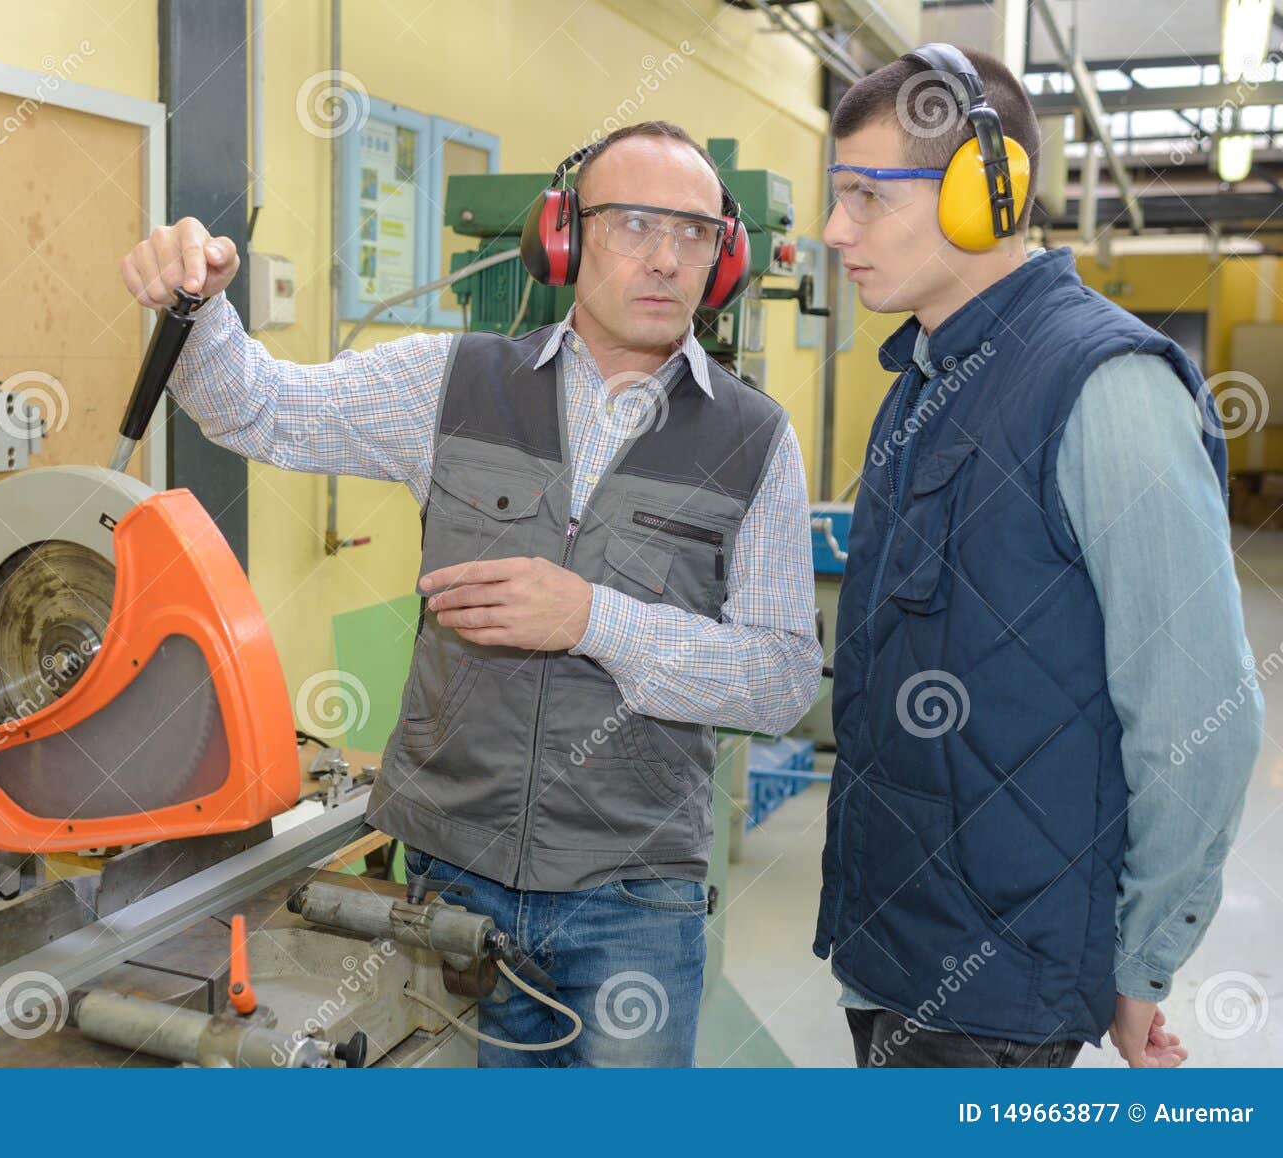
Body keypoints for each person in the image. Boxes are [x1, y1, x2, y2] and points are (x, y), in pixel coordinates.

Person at [121, 120, 822, 1066]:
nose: (665, 258)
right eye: (632, 225)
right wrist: (198, 310)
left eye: (694, 233)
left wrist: (593, 620)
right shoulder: (453, 383)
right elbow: (260, 407)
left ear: (725, 257)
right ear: (565, 237)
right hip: (452, 884)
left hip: (633, 898)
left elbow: (782, 680)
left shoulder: (756, 440)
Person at [815, 44, 1260, 1068]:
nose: (835, 230)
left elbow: (1202, 720)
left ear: (986, 192)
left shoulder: (1104, 387)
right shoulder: (923, 381)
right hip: (892, 952)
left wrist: (1139, 963)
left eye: (864, 198)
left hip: (998, 991)